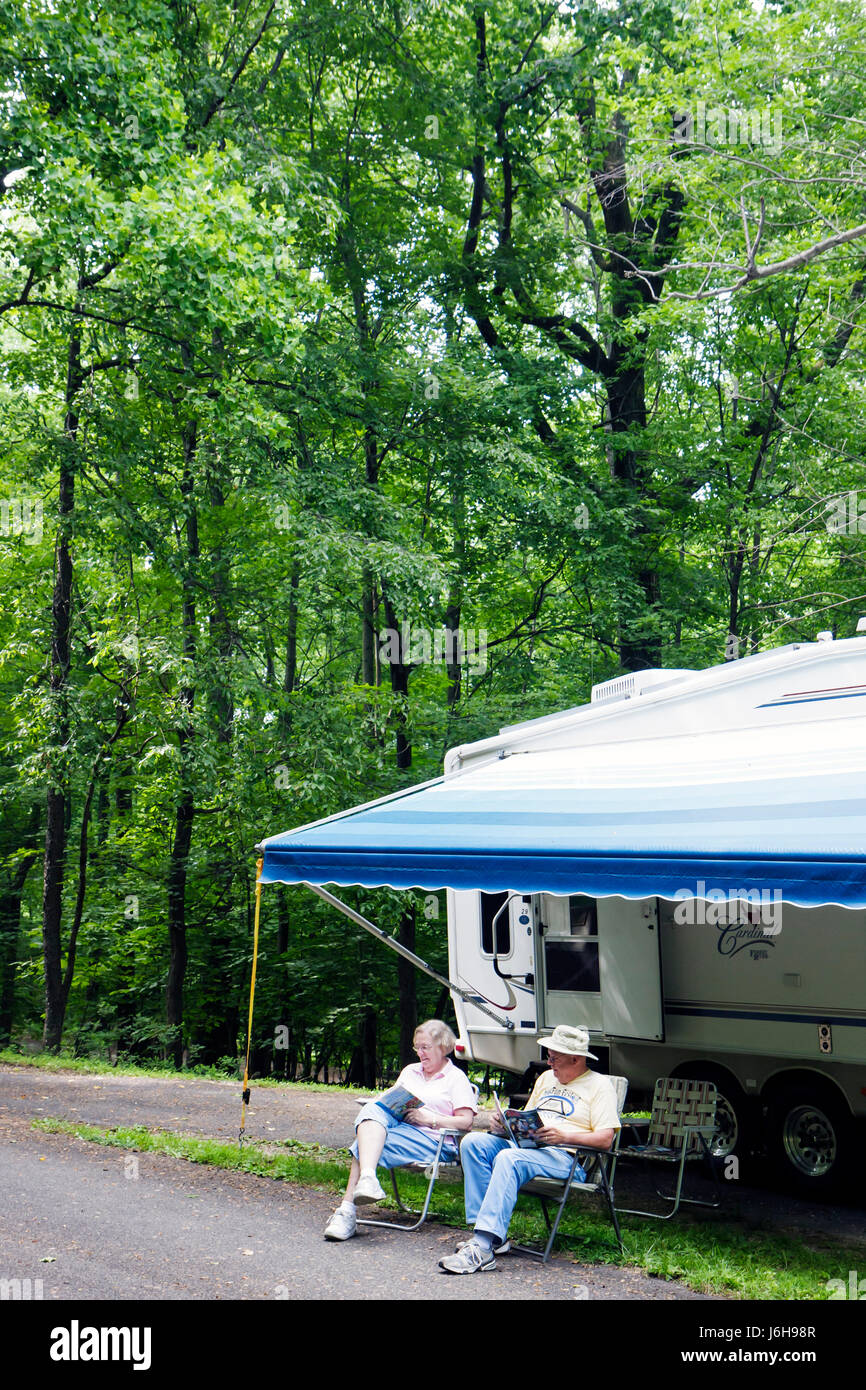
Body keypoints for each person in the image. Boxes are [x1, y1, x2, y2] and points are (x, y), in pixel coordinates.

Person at [438, 1024, 619, 1274]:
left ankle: (481, 1248)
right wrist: (504, 1126)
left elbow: (606, 1139)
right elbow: (527, 1117)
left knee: (509, 1158)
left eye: (554, 1057)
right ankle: (491, 1238)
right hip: (529, 1147)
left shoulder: (599, 1086)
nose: (549, 1062)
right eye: (549, 1056)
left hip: (566, 1157)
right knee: (473, 1143)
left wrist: (564, 1135)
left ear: (575, 1059)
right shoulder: (546, 1079)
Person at [324, 1018, 477, 1241]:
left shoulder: (456, 1078)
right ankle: (366, 1181)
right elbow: (390, 1100)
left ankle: (347, 1212)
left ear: (443, 1047)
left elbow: (466, 1122)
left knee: (363, 1144)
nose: (420, 1054)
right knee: (372, 1110)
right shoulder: (410, 1071)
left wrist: (429, 1118)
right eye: (417, 1048)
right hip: (401, 1129)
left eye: (426, 1048)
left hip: (434, 1140)